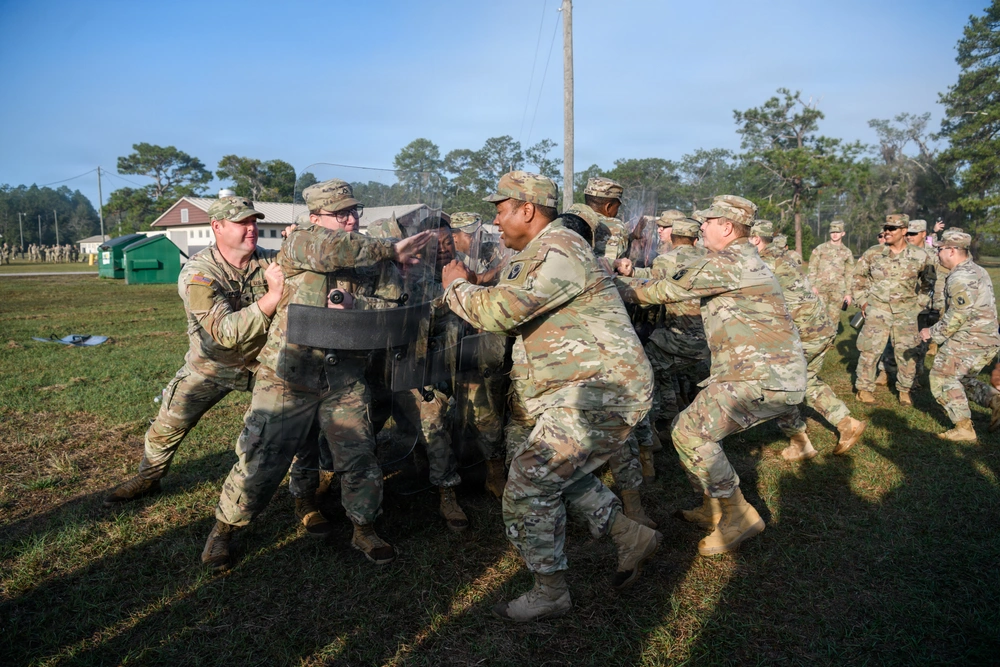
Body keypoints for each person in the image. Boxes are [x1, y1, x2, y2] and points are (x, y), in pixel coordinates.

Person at [440, 170, 661, 623]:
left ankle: (551, 590)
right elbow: (511, 296)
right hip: (573, 390)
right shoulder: (542, 250)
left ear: (527, 210)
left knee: (527, 483)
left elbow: (501, 311)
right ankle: (629, 535)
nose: (496, 222)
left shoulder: (558, 248)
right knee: (549, 469)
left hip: (602, 390)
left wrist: (454, 287)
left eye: (500, 211)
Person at [202, 179, 431, 571]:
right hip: (287, 377)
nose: (350, 219)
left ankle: (364, 528)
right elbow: (331, 249)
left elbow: (393, 312)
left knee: (360, 456)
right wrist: (390, 248)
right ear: (314, 218)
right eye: (339, 212)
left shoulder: (376, 260)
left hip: (343, 379)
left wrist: (359, 306)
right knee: (261, 459)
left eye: (353, 211)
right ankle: (224, 528)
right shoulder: (301, 243)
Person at [616, 195, 807, 556]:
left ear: (727, 227)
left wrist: (603, 283)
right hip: (762, 373)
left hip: (759, 377)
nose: (700, 226)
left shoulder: (729, 263)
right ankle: (714, 505)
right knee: (690, 429)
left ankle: (738, 515)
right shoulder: (736, 259)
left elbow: (661, 291)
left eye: (708, 220)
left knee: (690, 433)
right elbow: (675, 276)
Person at [104, 197, 283, 506]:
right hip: (212, 366)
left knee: (291, 422)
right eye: (242, 222)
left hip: (262, 364)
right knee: (166, 428)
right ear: (218, 227)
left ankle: (309, 486)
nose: (251, 228)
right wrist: (274, 295)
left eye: (254, 221)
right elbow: (226, 333)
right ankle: (148, 478)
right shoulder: (198, 273)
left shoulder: (270, 261)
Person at [750, 221, 867, 458]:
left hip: (802, 334)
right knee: (807, 380)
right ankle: (847, 424)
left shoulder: (762, 264)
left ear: (755, 240)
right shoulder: (783, 258)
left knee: (778, 387)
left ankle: (800, 443)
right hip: (818, 330)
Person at [920, 231, 1000, 440]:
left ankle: (964, 428)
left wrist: (932, 333)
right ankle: (996, 403)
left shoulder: (959, 277)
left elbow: (958, 315)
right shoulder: (977, 270)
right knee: (962, 379)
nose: (937, 254)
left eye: (940, 249)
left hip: (971, 338)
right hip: (987, 338)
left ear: (952, 250)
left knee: (941, 376)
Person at [852, 213, 935, 405]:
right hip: (877, 309)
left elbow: (929, 283)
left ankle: (904, 389)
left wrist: (919, 305)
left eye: (892, 229)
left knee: (907, 353)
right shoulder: (873, 253)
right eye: (885, 228)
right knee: (869, 351)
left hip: (906, 311)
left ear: (904, 231)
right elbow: (858, 279)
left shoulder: (920, 255)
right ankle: (863, 388)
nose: (886, 232)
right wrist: (863, 302)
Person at [808, 220, 855, 331]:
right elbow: (812, 267)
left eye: (837, 232)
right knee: (819, 315)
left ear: (843, 233)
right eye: (832, 232)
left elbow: (850, 274)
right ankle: (819, 341)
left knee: (834, 317)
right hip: (820, 288)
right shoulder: (820, 249)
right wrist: (812, 285)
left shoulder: (847, 252)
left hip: (838, 290)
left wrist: (848, 293)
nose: (834, 234)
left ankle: (830, 340)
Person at [581, 176, 630, 260]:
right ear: (608, 207)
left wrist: (632, 237)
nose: (617, 211)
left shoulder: (569, 219)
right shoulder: (615, 227)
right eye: (617, 207)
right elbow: (611, 266)